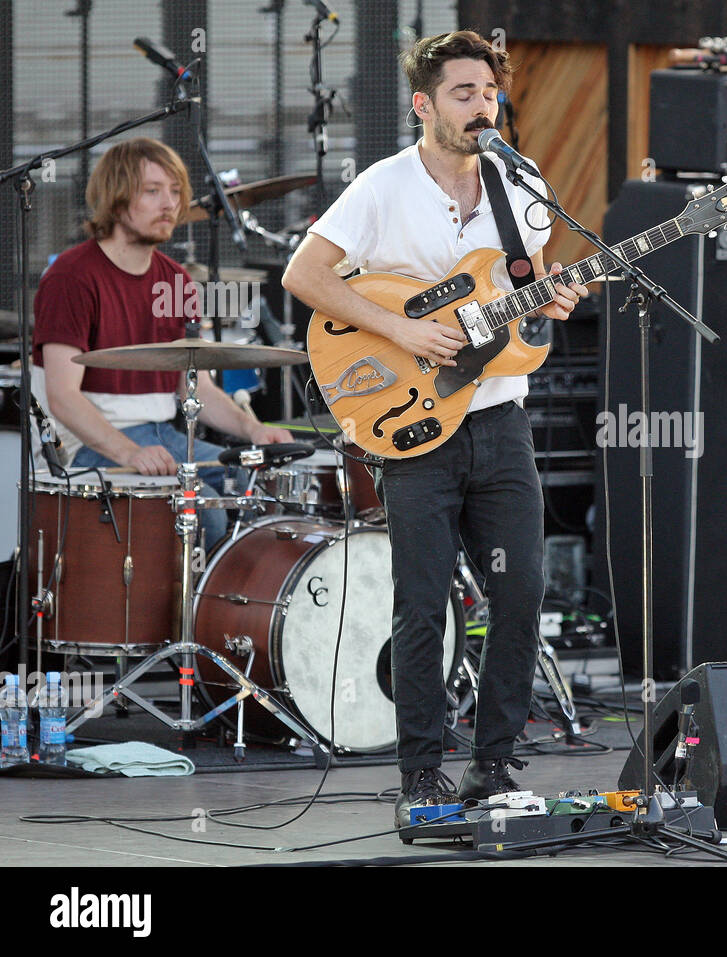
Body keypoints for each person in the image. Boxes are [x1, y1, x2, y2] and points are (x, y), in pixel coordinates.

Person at [283, 29, 587, 831]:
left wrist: (554, 296)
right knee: (422, 606)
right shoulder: (382, 187)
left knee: (522, 589)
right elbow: (304, 276)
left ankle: (493, 763)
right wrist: (403, 328)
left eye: (488, 92)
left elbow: (522, 303)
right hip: (414, 428)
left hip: (500, 416)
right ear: (424, 104)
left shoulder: (523, 186)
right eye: (463, 93)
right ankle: (421, 772)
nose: (481, 106)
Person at [32, 137, 292, 547]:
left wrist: (253, 429)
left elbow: (198, 388)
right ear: (116, 200)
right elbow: (62, 397)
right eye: (152, 191)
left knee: (252, 487)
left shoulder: (176, 280)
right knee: (204, 512)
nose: (169, 204)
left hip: (163, 436)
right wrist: (128, 452)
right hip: (87, 446)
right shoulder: (71, 276)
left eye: (175, 192)